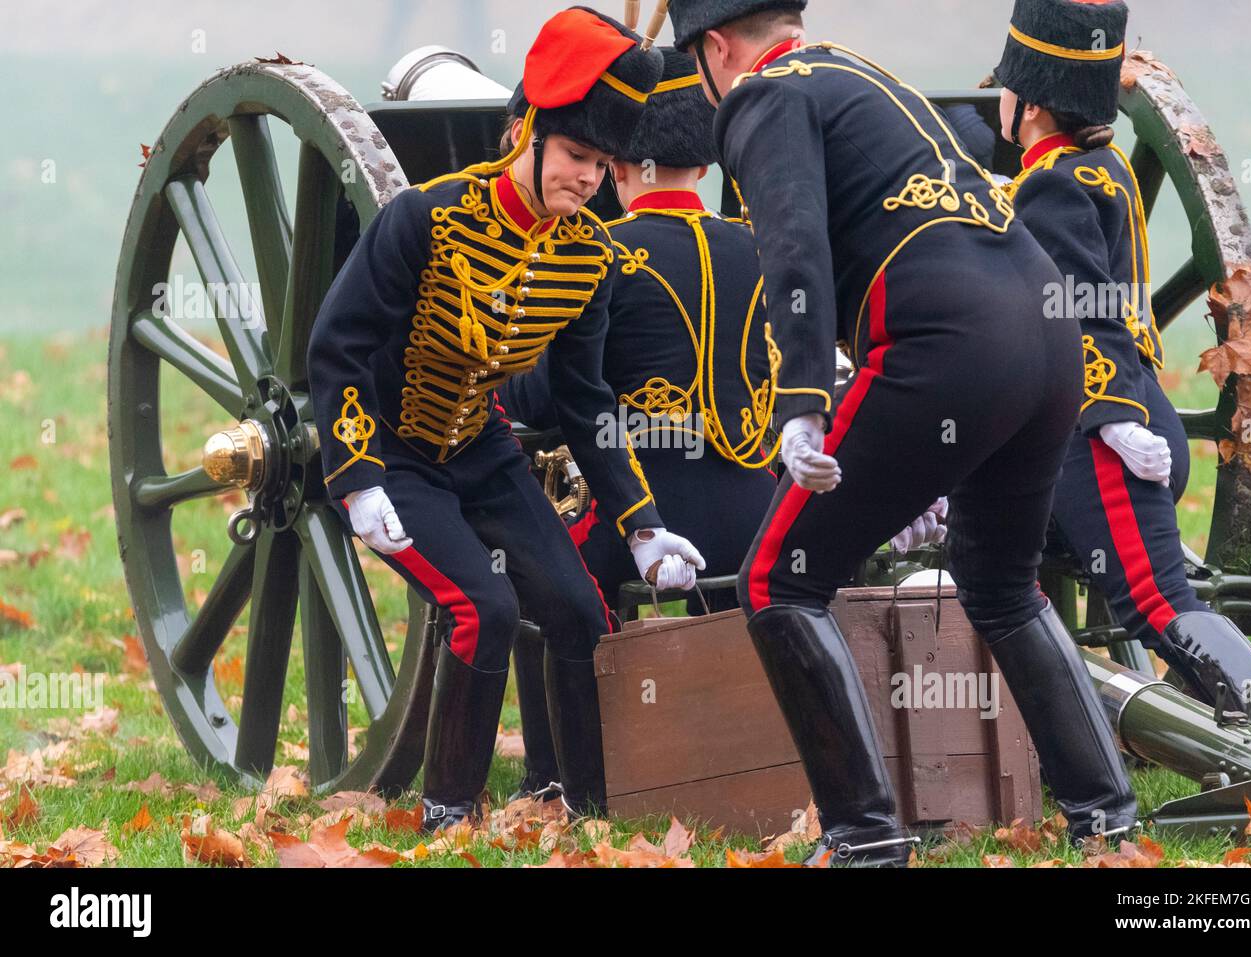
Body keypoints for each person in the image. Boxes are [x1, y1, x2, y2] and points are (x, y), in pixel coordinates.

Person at [664, 0, 1138, 864]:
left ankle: (864, 836)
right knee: (1002, 583)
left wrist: (802, 397)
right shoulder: (859, 72)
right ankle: (1107, 818)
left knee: (778, 580)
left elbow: (792, 242)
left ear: (717, 47)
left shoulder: (761, 96)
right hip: (1044, 334)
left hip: (949, 338)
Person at [306, 6, 707, 831]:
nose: (590, 179)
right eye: (574, 156)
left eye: (602, 164)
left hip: (479, 446)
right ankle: (448, 812)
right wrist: (355, 477)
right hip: (394, 453)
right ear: (524, 131)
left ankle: (587, 804)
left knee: (580, 612)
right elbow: (337, 345)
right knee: (481, 609)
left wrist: (641, 524)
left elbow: (585, 402)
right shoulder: (425, 216)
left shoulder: (591, 256)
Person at [996, 0, 1251, 734]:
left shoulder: (1049, 185)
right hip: (1126, 420)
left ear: (1030, 103)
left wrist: (1112, 418)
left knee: (1162, 603)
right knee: (1157, 598)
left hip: (1102, 433)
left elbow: (1086, 313)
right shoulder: (1102, 168)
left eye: (1007, 84)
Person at [498, 47, 780, 799]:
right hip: (757, 512)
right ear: (703, 165)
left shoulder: (597, 255)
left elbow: (545, 401)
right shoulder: (759, 248)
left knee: (541, 592)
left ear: (622, 169)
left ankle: (558, 780)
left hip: (640, 517)